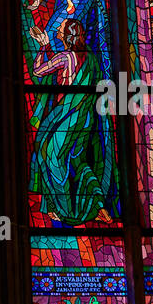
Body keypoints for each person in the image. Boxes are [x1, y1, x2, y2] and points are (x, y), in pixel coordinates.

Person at [28, 17, 118, 224]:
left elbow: (37, 71)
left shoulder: (65, 57)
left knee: (52, 156)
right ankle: (96, 204)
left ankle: (66, 210)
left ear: (67, 35)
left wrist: (43, 47)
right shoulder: (91, 59)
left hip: (67, 118)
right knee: (77, 161)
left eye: (60, 28)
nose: (58, 29)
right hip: (86, 119)